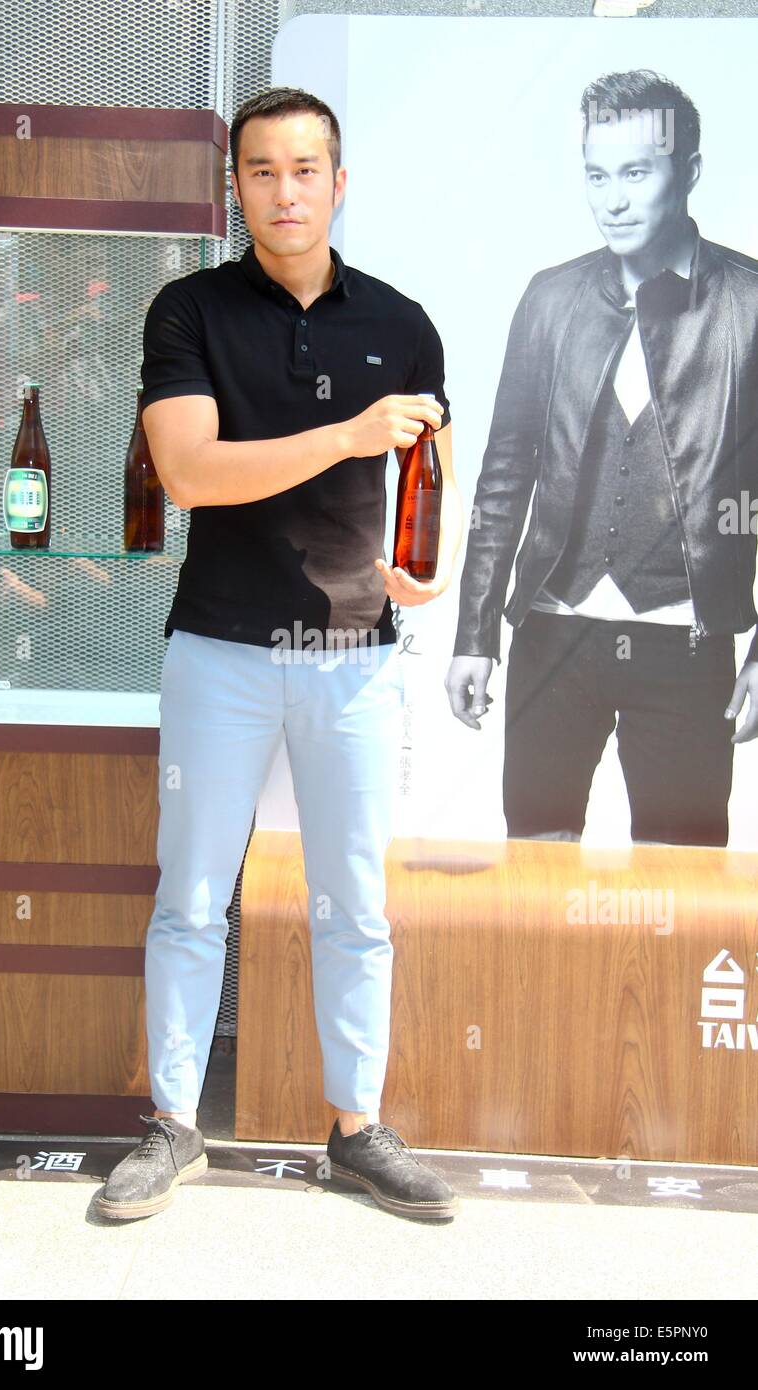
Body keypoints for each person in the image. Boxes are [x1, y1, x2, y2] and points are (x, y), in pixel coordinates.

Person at [98, 87, 463, 1222]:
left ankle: (355, 1129)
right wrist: (348, 434)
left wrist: (427, 562)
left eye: (304, 169)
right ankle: (172, 1126)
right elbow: (194, 472)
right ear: (237, 186)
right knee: (189, 899)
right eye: (261, 171)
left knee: (353, 905)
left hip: (356, 655)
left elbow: (432, 462)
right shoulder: (188, 310)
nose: (284, 190)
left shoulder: (400, 321)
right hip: (217, 647)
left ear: (337, 183)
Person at [445, 69, 758, 847]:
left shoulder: (750, 307)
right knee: (536, 881)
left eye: (637, 172)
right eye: (597, 173)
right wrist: (475, 634)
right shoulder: (550, 300)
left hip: (687, 644)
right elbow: (504, 481)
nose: (612, 199)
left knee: (680, 892)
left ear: (688, 172)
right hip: (554, 638)